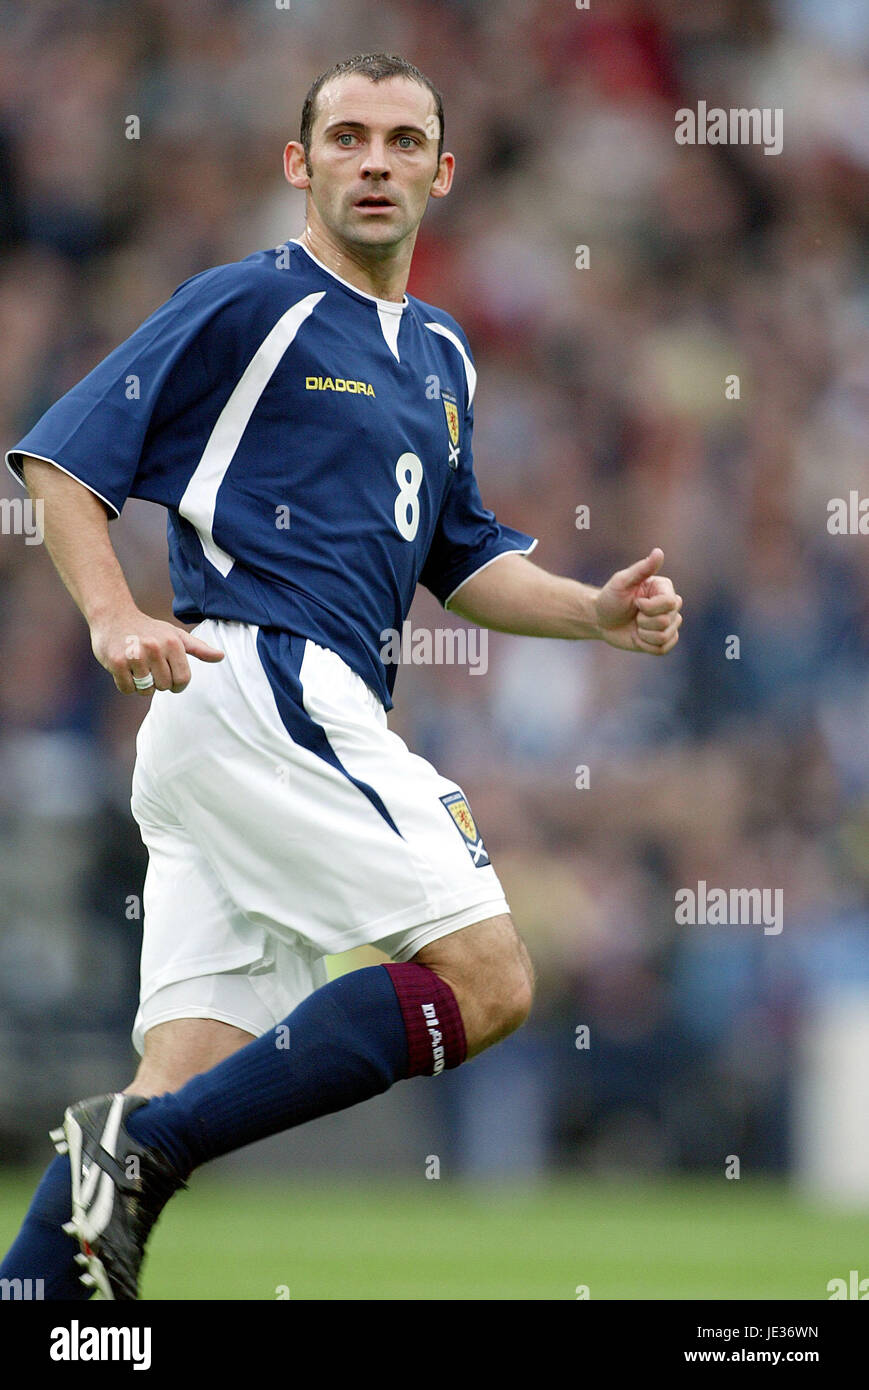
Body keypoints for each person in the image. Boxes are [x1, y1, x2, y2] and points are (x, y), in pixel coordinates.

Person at [1, 52, 682, 1300]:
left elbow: (463, 557)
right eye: (348, 138)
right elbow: (58, 460)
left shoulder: (440, 355)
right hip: (262, 682)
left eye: (403, 141)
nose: (375, 161)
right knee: (492, 977)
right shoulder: (248, 304)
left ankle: (40, 1304)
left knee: (178, 1080)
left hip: (237, 735)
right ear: (298, 164)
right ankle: (143, 1153)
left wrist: (590, 611)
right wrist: (110, 614)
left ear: (442, 171)